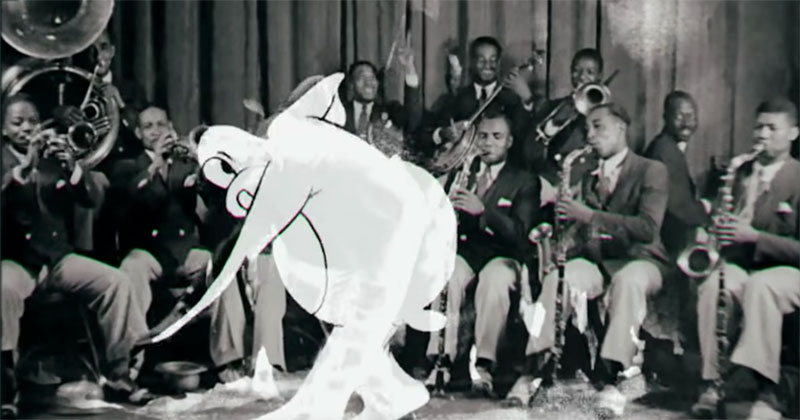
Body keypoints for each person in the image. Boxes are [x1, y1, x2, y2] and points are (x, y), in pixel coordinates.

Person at [506, 103, 669, 417]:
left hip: (642, 260)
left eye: (598, 127)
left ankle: (614, 379)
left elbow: (648, 228)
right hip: (599, 262)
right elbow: (582, 229)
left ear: (621, 127)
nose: (590, 135)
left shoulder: (652, 169)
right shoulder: (588, 174)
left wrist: (589, 215)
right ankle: (533, 369)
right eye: (587, 129)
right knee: (560, 278)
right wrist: (565, 233)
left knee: (628, 281)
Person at [1, 95, 149, 417]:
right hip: (16, 260)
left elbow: (90, 200)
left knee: (116, 282)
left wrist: (73, 167)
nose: (26, 128)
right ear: (3, 130)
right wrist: (21, 171)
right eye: (17, 122)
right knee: (3, 290)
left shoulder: (54, 157)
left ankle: (121, 374)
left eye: (32, 121)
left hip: (57, 260)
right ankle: (6, 389)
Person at [690, 98, 800, 420]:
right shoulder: (740, 172)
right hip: (745, 266)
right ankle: (714, 383)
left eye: (772, 128)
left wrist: (754, 238)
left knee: (762, 286)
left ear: (793, 133)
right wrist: (711, 232)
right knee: (714, 287)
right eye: (758, 127)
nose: (762, 135)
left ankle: (767, 392)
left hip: (789, 271)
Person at [423, 109, 541, 396]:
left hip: (505, 255)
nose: (488, 143)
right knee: (447, 274)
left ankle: (485, 366)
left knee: (494, 280)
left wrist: (483, 212)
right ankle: (441, 361)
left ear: (509, 142)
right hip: (470, 251)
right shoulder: (466, 173)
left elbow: (520, 234)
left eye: (497, 137)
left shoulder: (526, 180)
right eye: (483, 137)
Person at [115, 105, 210, 317]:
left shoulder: (186, 164)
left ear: (170, 127)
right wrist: (155, 165)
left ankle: (223, 340)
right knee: (131, 269)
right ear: (138, 133)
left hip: (185, 250)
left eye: (161, 125)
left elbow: (205, 204)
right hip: (149, 252)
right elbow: (131, 200)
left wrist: (200, 163)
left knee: (219, 265)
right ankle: (134, 337)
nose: (156, 131)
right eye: (148, 127)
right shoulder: (127, 167)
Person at [421, 36, 531, 165]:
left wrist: (528, 98)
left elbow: (523, 137)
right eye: (481, 60)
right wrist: (444, 133)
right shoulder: (456, 98)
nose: (487, 65)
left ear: (499, 63)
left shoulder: (511, 99)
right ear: (472, 62)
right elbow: (427, 134)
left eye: (493, 60)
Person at [644, 91, 710, 259]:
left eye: (691, 116)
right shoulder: (664, 150)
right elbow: (678, 207)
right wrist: (707, 208)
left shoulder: (668, 146)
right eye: (680, 116)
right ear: (665, 117)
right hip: (663, 246)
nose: (687, 123)